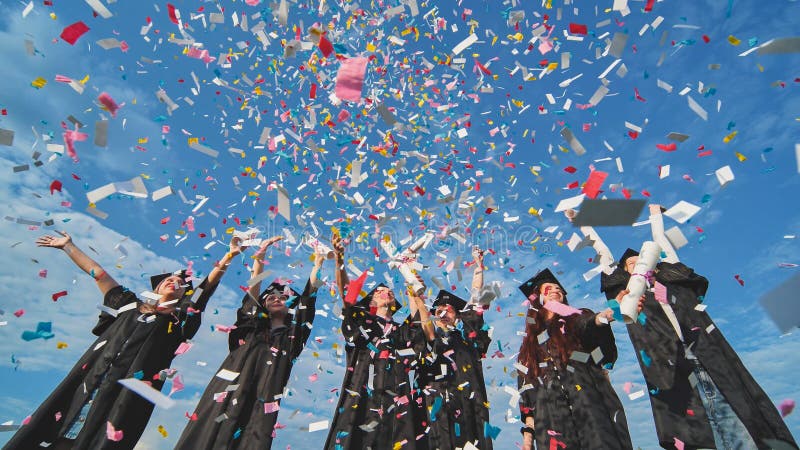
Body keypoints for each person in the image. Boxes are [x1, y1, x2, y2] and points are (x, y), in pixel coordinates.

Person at [5, 231, 241, 450]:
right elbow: (99, 274)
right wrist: (69, 246)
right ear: (157, 287)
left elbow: (206, 288)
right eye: (169, 279)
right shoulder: (126, 303)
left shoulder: (179, 321)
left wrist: (228, 256)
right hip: (90, 380)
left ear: (184, 296)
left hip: (124, 398)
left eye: (181, 284)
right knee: (56, 431)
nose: (175, 282)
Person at [600, 205, 798, 450]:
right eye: (630, 264)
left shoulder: (674, 281)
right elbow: (606, 263)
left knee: (737, 425)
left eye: (640, 260)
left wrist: (655, 215)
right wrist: (587, 228)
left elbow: (660, 242)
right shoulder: (628, 299)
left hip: (707, 358)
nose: (637, 264)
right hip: (672, 369)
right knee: (699, 434)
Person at [174, 235, 327, 449]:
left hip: (262, 401)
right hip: (226, 393)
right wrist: (260, 255)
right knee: (207, 434)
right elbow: (252, 294)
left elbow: (309, 297)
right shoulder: (250, 328)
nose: (276, 298)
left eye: (282, 298)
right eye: (271, 297)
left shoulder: (292, 338)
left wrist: (318, 263)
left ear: (289, 306)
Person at [324, 231, 430, 450]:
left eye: (388, 290)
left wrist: (415, 293)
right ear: (371, 300)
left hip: (396, 392)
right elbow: (346, 295)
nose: (385, 292)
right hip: (362, 389)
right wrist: (340, 259)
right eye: (379, 291)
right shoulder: (363, 324)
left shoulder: (399, 331)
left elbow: (418, 323)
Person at [517, 268, 635, 450]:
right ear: (537, 298)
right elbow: (528, 399)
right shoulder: (528, 349)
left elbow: (589, 325)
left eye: (559, 288)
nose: (556, 290)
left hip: (590, 407)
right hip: (550, 422)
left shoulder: (575, 319)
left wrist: (608, 315)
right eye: (548, 288)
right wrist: (527, 439)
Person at [418, 246, 494, 450]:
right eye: (439, 310)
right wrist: (414, 287)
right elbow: (423, 319)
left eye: (449, 310)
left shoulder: (468, 339)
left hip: (472, 404)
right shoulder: (429, 339)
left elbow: (476, 298)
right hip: (440, 407)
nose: (443, 313)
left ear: (458, 315)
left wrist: (479, 267)